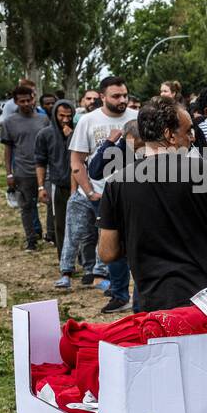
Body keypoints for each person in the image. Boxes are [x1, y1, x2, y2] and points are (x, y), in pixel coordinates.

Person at [98, 96, 207, 312]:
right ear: (169, 135)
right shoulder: (200, 171)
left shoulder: (117, 183)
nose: (193, 137)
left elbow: (107, 253)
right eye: (188, 131)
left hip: (153, 300)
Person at [67, 76, 136, 288]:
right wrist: (88, 191)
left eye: (124, 95)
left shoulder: (137, 117)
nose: (122, 99)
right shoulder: (89, 120)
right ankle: (114, 288)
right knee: (106, 243)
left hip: (132, 192)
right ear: (103, 97)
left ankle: (128, 290)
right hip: (100, 192)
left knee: (132, 242)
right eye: (116, 96)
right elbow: (77, 160)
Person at [0, 85, 50, 251]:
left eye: (29, 100)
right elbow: (8, 150)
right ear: (16, 102)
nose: (27, 103)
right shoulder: (9, 122)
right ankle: (31, 239)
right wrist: (9, 174)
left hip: (45, 170)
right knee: (27, 207)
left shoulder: (43, 120)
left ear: (33, 98)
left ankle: (52, 235)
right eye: (22, 101)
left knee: (52, 205)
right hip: (22, 171)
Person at [34, 98, 76, 264]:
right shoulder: (45, 134)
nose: (65, 119)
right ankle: (65, 262)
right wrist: (41, 186)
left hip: (80, 184)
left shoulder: (79, 131)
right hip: (58, 185)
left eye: (68, 115)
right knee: (60, 225)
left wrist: (71, 136)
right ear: (54, 115)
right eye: (61, 116)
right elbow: (40, 162)